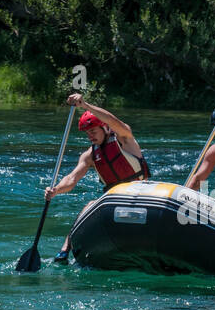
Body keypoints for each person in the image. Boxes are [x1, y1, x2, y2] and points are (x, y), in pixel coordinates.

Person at [44, 93, 150, 262]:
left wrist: (85, 105)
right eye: (87, 133)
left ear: (105, 128)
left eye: (93, 131)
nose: (90, 136)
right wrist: (56, 190)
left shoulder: (124, 138)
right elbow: (72, 179)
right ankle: (64, 250)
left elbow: (112, 120)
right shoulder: (90, 155)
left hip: (142, 194)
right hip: (115, 197)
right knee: (89, 205)